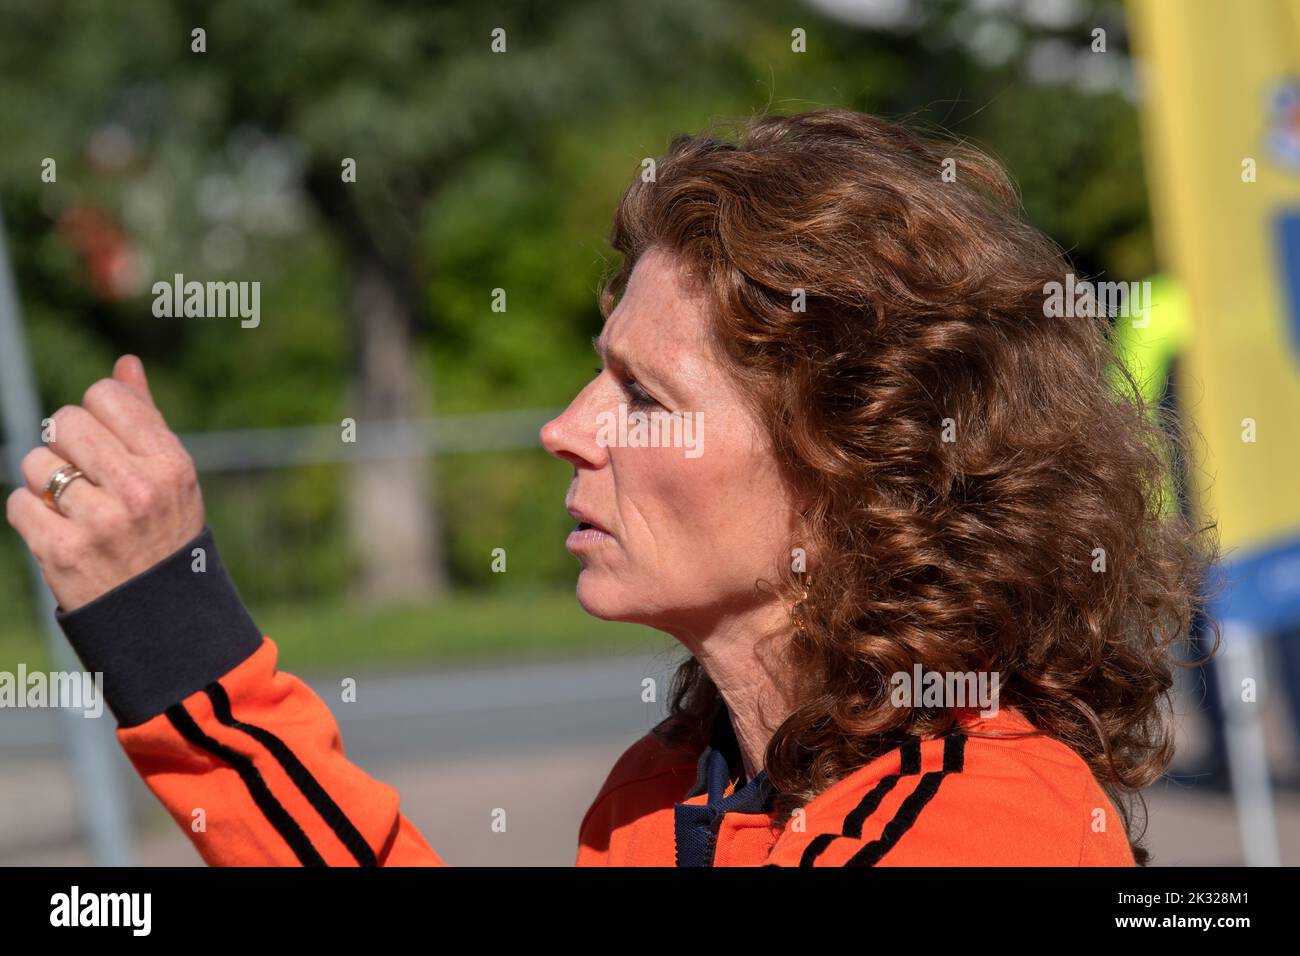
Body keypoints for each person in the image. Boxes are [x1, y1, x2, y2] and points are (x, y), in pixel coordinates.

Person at [5, 109, 1214, 866]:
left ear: (856, 460)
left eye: (643, 396)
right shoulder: (661, 790)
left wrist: (173, 630)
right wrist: (163, 627)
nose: (561, 430)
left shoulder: (978, 825)